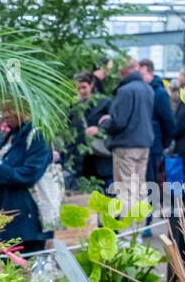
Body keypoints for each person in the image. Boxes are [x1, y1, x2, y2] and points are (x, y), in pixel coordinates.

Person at [0, 102, 53, 253]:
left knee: (29, 267)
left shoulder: (37, 135)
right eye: (2, 111)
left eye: (9, 111)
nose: (4, 116)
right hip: (6, 218)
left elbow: (29, 175)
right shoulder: (11, 135)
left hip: (28, 220)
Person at [100, 60, 155, 214]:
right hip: (144, 144)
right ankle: (138, 229)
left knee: (125, 189)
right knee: (140, 187)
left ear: (123, 71)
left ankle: (128, 233)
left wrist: (105, 123)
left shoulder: (125, 90)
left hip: (126, 145)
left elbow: (119, 122)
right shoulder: (148, 89)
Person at [66, 72, 112, 189]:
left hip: (100, 156)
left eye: (84, 87)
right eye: (78, 88)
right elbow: (68, 130)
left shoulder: (105, 102)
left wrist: (99, 129)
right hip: (80, 158)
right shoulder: (73, 106)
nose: (81, 91)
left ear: (91, 85)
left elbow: (115, 122)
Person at [140, 59, 175, 186]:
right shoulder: (147, 90)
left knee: (153, 180)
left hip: (155, 145)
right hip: (149, 143)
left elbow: (168, 120)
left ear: (150, 72)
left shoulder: (159, 92)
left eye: (142, 74)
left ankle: (153, 205)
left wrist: (165, 142)